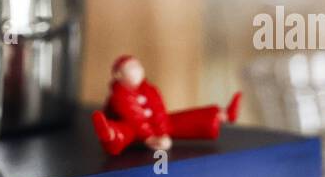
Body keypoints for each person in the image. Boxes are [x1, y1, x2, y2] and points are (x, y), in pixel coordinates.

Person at [91, 54, 242, 156]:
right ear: (118, 75)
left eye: (138, 66)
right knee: (123, 131)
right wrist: (150, 138)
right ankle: (109, 134)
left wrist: (162, 131)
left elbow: (159, 110)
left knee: (183, 120)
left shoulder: (150, 89)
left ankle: (223, 114)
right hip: (131, 127)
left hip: (153, 126)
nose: (138, 70)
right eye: (131, 68)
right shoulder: (119, 96)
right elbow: (134, 118)